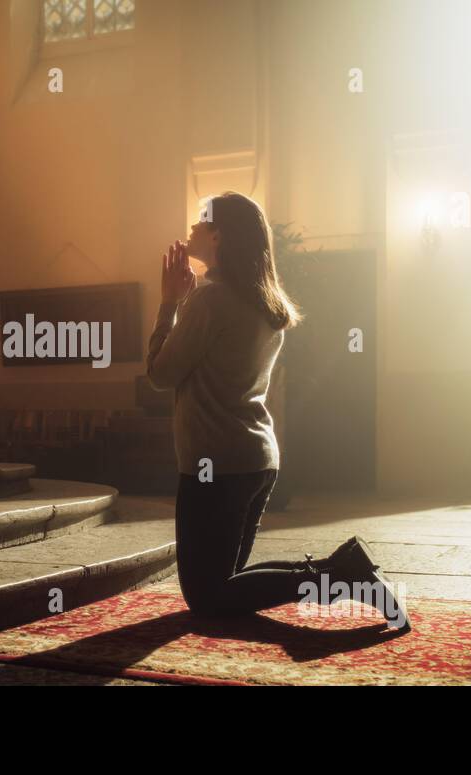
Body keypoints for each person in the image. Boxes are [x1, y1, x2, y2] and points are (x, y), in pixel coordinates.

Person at [146, 191, 408, 631]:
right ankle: (342, 570)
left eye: (200, 221)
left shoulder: (208, 301)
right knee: (227, 583)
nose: (190, 228)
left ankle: (343, 576)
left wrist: (170, 301)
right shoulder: (263, 303)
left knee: (208, 598)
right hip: (256, 460)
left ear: (218, 234)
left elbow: (160, 373)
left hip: (215, 464)